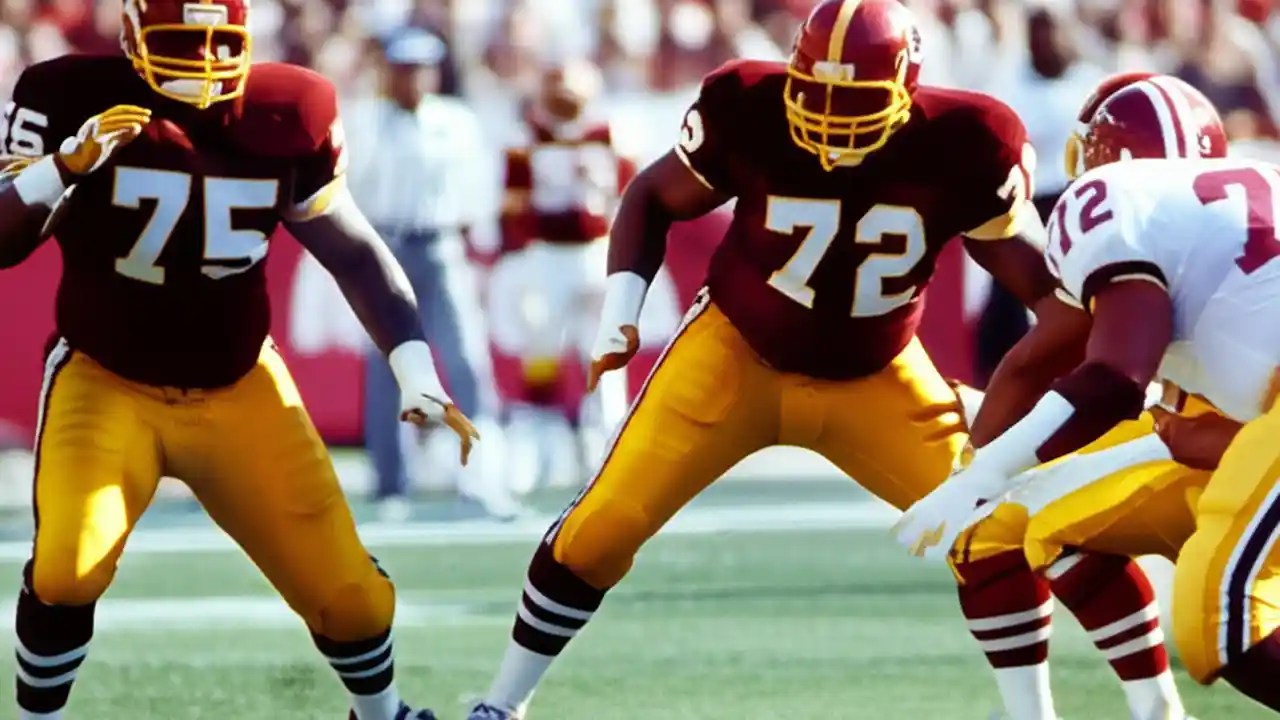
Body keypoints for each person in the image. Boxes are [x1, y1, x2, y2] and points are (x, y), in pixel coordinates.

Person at [466, 3, 1173, 719]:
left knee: (992, 526)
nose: (831, 117)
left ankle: (1032, 715)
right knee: (601, 528)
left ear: (906, 89)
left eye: (854, 99)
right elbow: (652, 194)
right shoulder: (747, 104)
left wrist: (1050, 386)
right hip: (732, 356)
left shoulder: (967, 140)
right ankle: (502, 704)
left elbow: (1048, 295)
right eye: (816, 92)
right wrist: (621, 309)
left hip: (877, 373)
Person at [0, 1, 479, 718]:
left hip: (238, 383)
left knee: (353, 598)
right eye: (180, 41)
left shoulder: (290, 107)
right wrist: (61, 169)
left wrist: (415, 369)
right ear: (132, 34)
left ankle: (384, 715)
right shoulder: (67, 93)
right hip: (106, 378)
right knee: (67, 570)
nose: (202, 63)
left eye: (218, 43)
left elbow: (354, 253)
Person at [894, 72, 1280, 713]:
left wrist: (981, 473)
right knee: (1058, 523)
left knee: (1223, 620)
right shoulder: (1245, 200)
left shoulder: (1111, 202)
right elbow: (1044, 357)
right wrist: (975, 468)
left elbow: (1115, 379)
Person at [343, 27, 517, 521]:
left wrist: (479, 241)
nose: (413, 79)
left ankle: (483, 479)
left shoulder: (455, 122)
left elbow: (480, 187)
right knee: (386, 365)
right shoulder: (368, 121)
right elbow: (352, 189)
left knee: (466, 361)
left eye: (421, 69)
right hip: (386, 244)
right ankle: (390, 485)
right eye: (404, 69)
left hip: (442, 242)